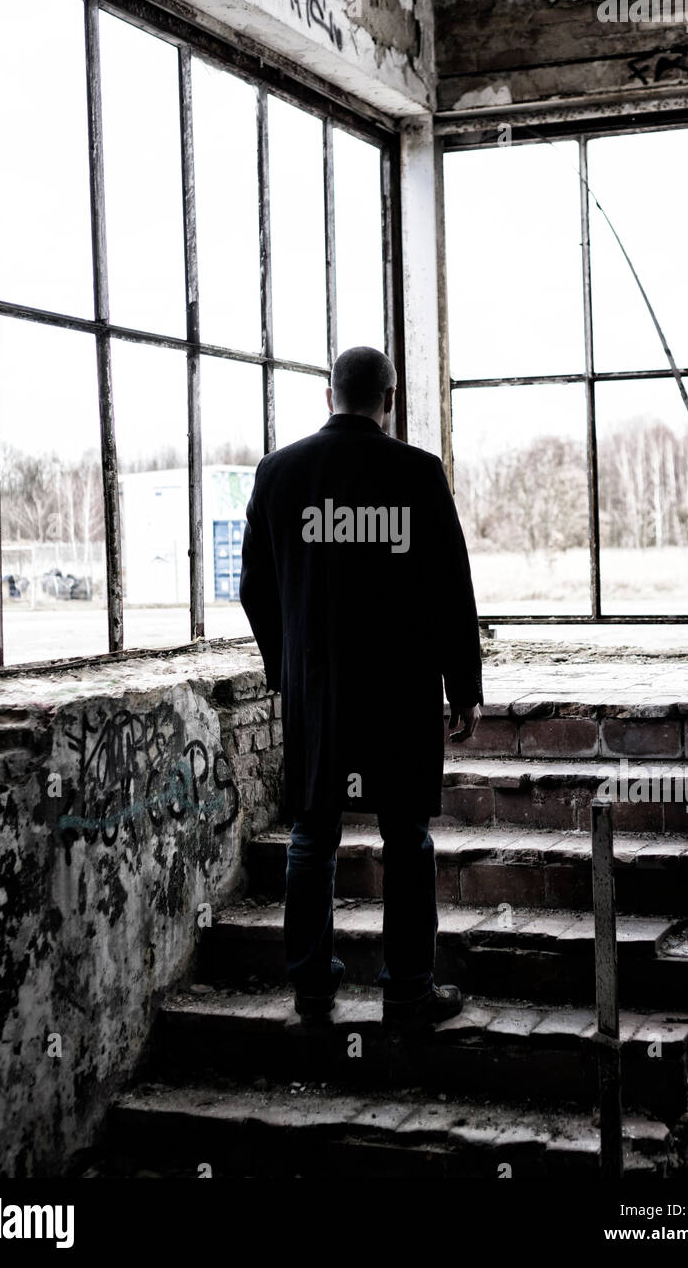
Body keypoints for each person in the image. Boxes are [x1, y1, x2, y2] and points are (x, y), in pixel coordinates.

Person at [239, 346, 482, 1034]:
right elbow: (449, 590)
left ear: (328, 396)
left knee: (312, 835)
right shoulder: (417, 473)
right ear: (391, 398)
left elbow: (255, 587)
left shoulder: (279, 473)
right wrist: (461, 685)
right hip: (399, 692)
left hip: (319, 692)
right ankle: (407, 990)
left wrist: (286, 668)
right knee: (407, 838)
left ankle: (313, 990)